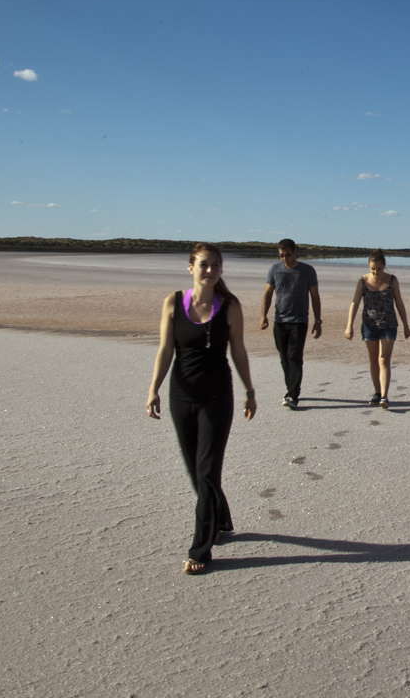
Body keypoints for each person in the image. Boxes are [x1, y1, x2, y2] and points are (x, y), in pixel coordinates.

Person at [145, 242, 257, 576]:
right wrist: (153, 389)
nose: (210, 270)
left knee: (208, 471)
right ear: (191, 267)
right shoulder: (172, 303)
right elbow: (166, 350)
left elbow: (238, 351)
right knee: (196, 471)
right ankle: (219, 518)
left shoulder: (230, 306)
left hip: (217, 397)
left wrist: (249, 391)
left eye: (216, 265)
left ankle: (201, 548)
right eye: (204, 264)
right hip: (181, 395)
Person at [344, 249, 410, 409]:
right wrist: (349, 326)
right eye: (372, 269)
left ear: (384, 266)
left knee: (384, 359)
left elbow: (399, 302)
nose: (375, 272)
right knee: (374, 360)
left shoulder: (392, 280)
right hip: (369, 325)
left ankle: (384, 396)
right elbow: (355, 302)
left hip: (388, 325)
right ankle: (377, 392)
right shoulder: (363, 281)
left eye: (379, 269)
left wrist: (406, 325)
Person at [260, 238, 321, 409]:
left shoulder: (307, 271)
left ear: (295, 251)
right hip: (279, 321)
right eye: (281, 256)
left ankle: (292, 395)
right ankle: (291, 389)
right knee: (284, 358)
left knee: (294, 357)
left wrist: (318, 321)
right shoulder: (274, 269)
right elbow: (267, 293)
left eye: (287, 255)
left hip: (299, 321)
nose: (284, 259)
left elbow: (315, 296)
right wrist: (263, 315)